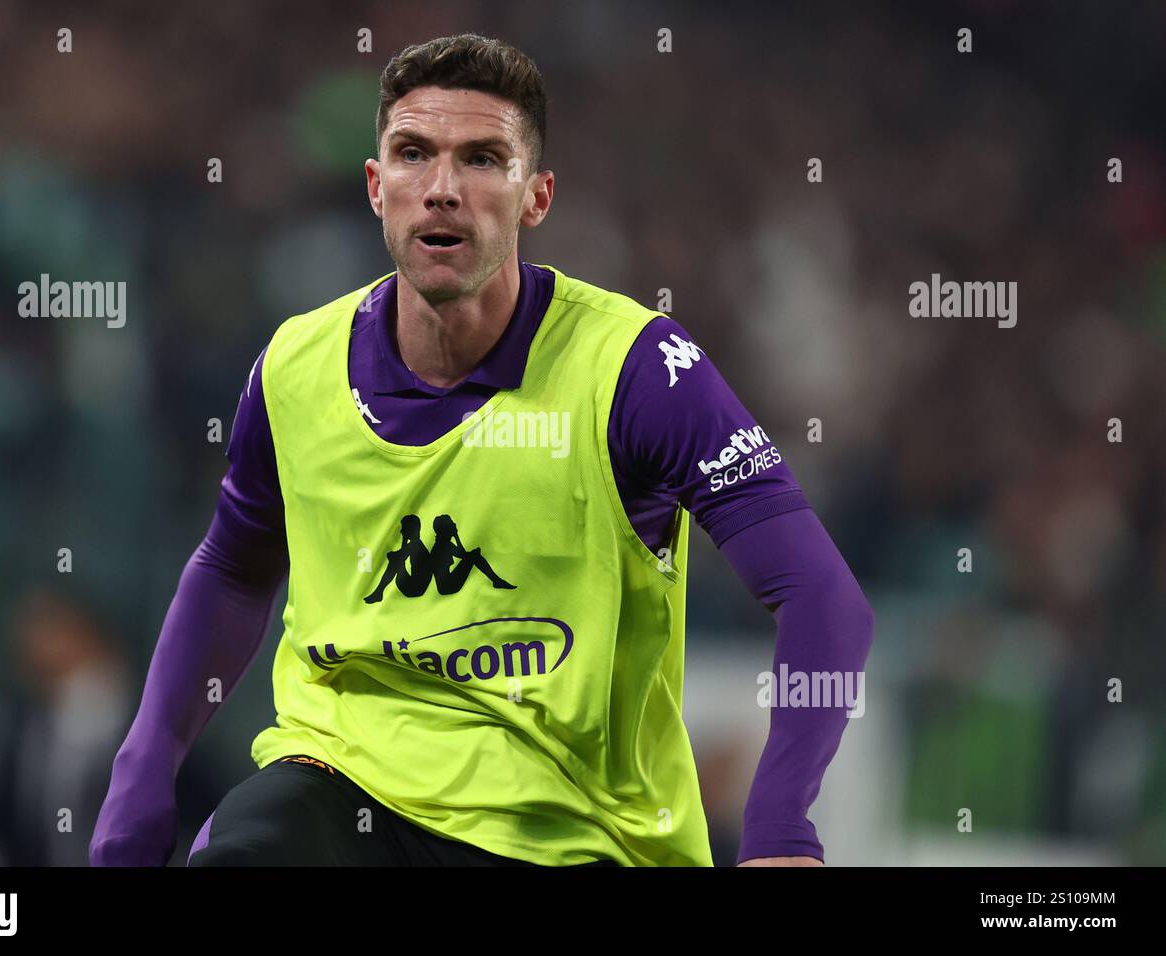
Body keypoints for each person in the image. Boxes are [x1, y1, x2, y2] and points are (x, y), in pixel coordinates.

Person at [90, 33, 874, 868]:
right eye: (413, 155)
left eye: (481, 160)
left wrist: (781, 829)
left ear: (535, 197)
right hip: (342, 787)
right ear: (374, 185)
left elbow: (823, 599)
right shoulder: (294, 366)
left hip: (572, 833)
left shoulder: (636, 371)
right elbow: (233, 566)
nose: (441, 191)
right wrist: (142, 773)